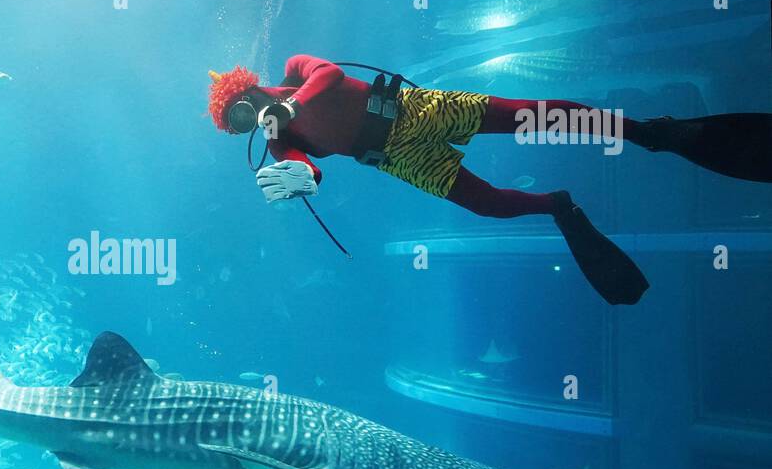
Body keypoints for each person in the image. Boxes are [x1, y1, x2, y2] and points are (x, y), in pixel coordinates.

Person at [208, 55, 770, 305]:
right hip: (395, 156)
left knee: (526, 114)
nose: (246, 121)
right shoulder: (281, 142)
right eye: (237, 124)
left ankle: (643, 131)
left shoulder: (294, 69)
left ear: (251, 87)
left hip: (414, 111)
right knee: (488, 206)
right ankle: (557, 206)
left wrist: (291, 106)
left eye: (242, 110)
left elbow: (329, 75)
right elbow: (308, 166)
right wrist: (300, 178)